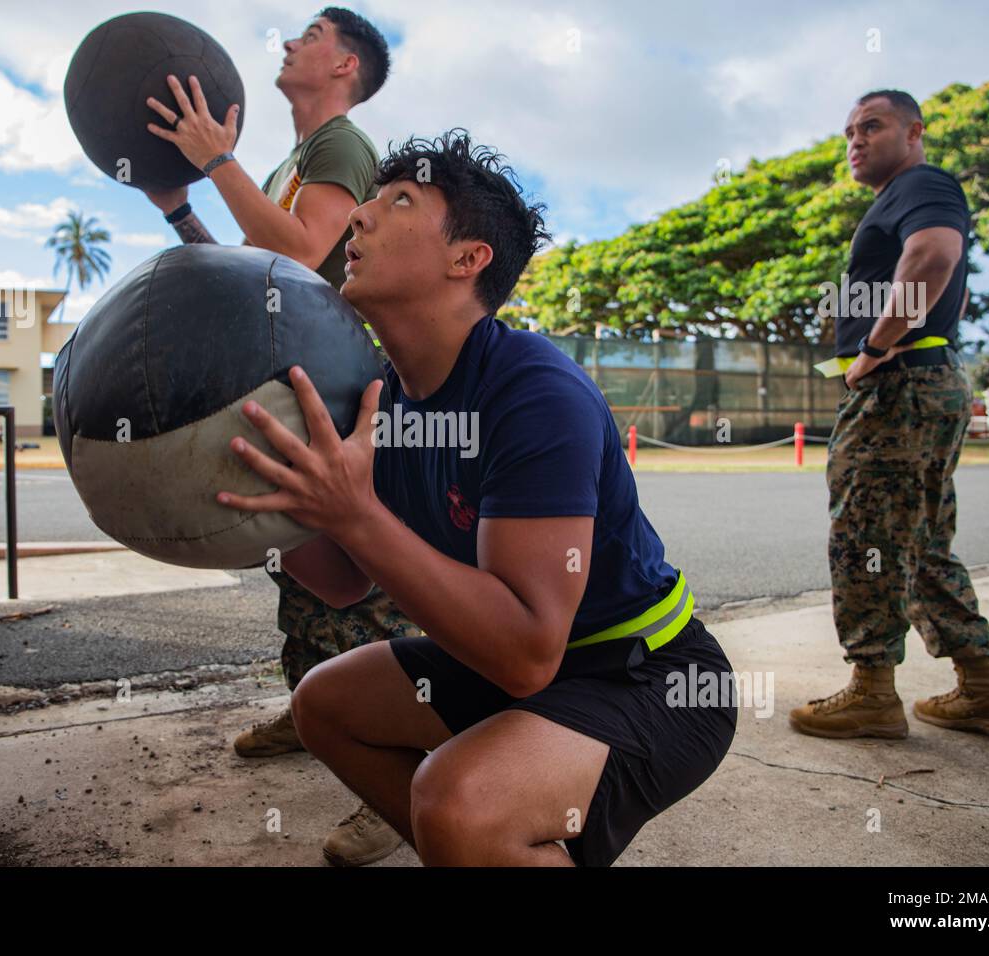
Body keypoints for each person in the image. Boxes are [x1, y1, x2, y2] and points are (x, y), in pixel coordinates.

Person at [216, 131, 738, 866]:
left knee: (456, 801)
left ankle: (481, 840)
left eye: (397, 202)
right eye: (367, 200)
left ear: (468, 260)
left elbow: (526, 653)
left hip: (649, 675)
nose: (358, 218)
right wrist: (243, 513)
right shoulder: (380, 398)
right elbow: (344, 579)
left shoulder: (534, 392)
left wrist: (355, 513)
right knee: (325, 706)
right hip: (523, 667)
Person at [139, 7, 420, 865]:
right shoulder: (290, 161)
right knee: (298, 578)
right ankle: (315, 708)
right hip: (295, 382)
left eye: (311, 33)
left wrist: (215, 162)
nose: (293, 41)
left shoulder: (341, 145)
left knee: (370, 592)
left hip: (342, 388)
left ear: (344, 65)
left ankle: (403, 766)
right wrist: (182, 209)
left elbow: (300, 253)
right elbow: (248, 273)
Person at [789, 90, 989, 739]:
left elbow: (932, 260)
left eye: (872, 126)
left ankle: (871, 690)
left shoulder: (920, 183)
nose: (855, 141)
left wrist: (872, 349)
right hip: (926, 380)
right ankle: (985, 687)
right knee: (919, 540)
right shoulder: (900, 197)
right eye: (848, 132)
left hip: (900, 384)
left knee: (865, 535)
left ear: (914, 130)